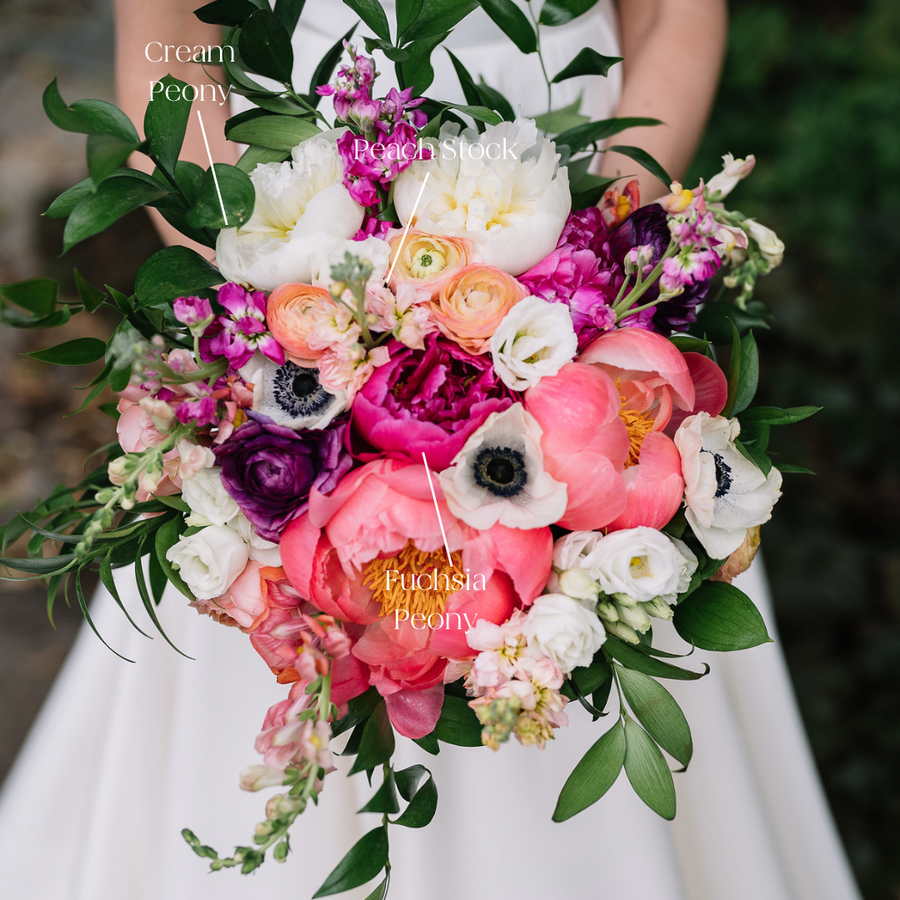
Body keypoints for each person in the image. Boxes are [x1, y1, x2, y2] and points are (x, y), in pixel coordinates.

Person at [0, 2, 863, 898]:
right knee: (298, 640)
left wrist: (585, 275)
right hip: (292, 243)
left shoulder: (586, 293)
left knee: (602, 597)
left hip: (577, 253)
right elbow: (167, 47)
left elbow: (676, 15)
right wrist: (260, 292)